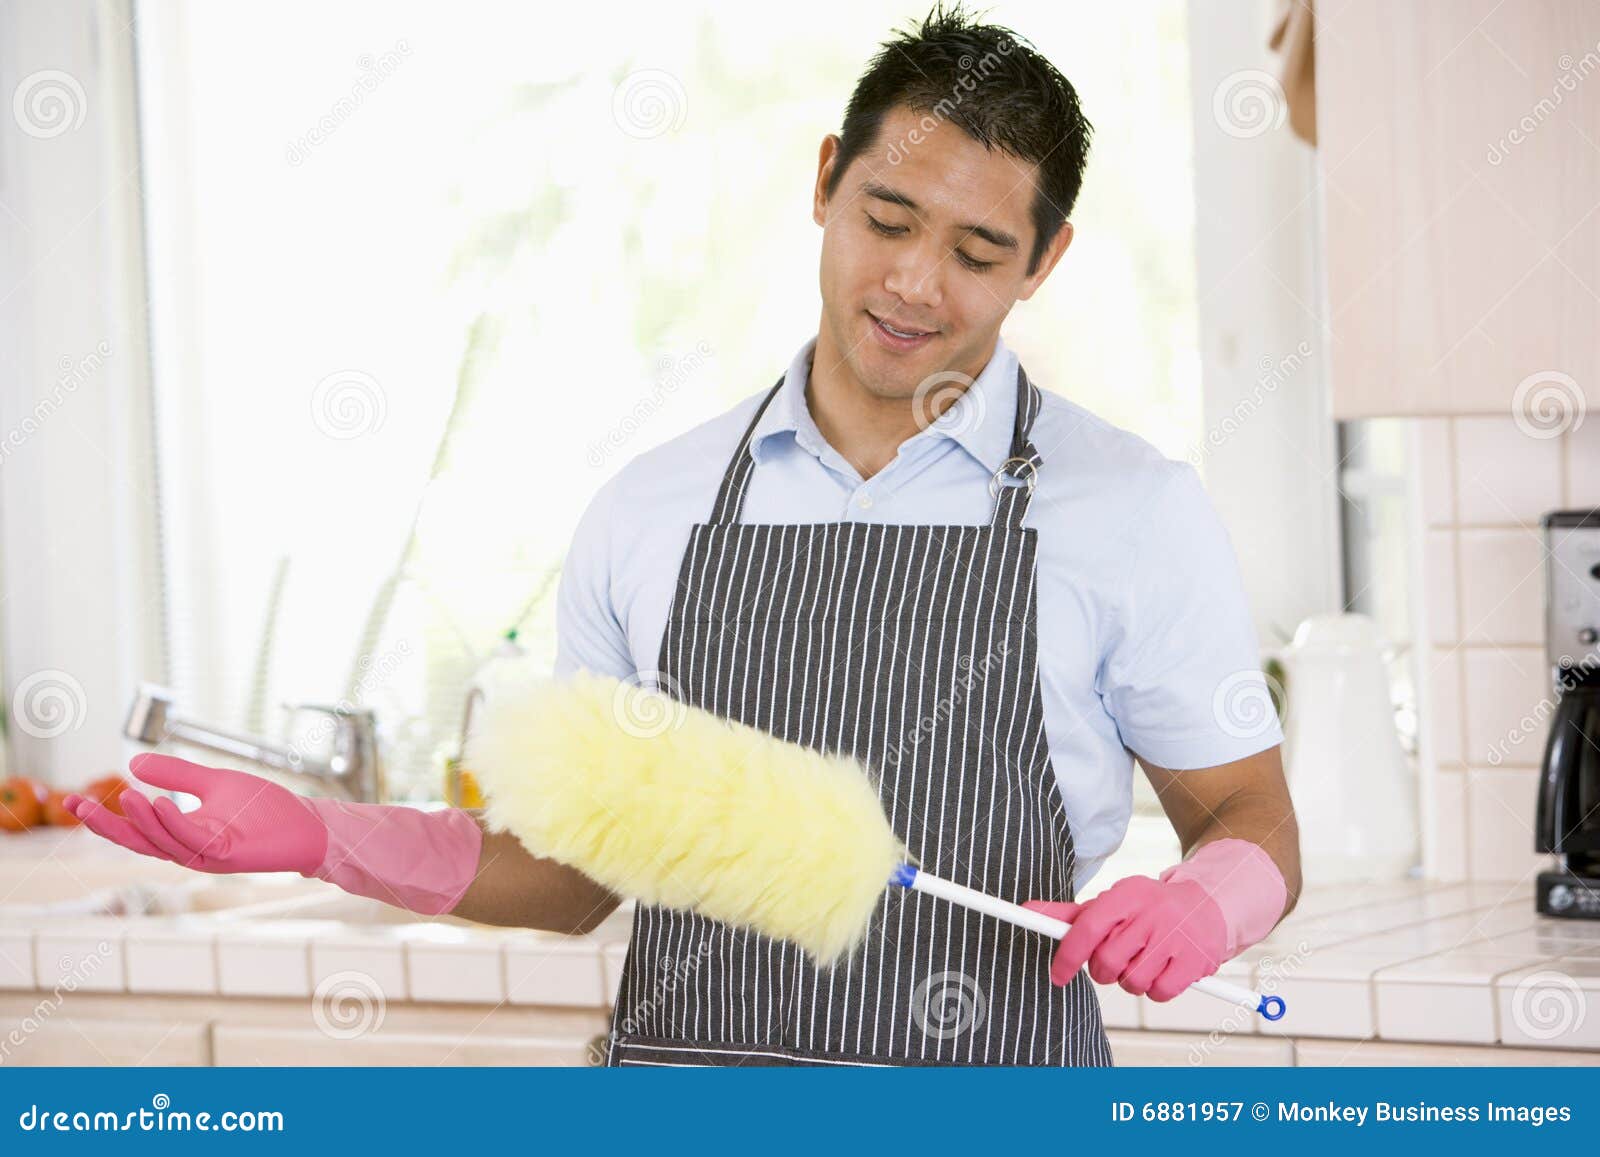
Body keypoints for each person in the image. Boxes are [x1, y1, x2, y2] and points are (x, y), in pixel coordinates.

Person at [71, 2, 1300, 1067]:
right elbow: (572, 871)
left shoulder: (1130, 508)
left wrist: (1207, 897)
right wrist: (322, 836)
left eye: (978, 252)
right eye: (886, 218)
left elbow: (1251, 816)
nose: (915, 283)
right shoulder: (652, 508)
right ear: (824, 179)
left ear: (1044, 261)